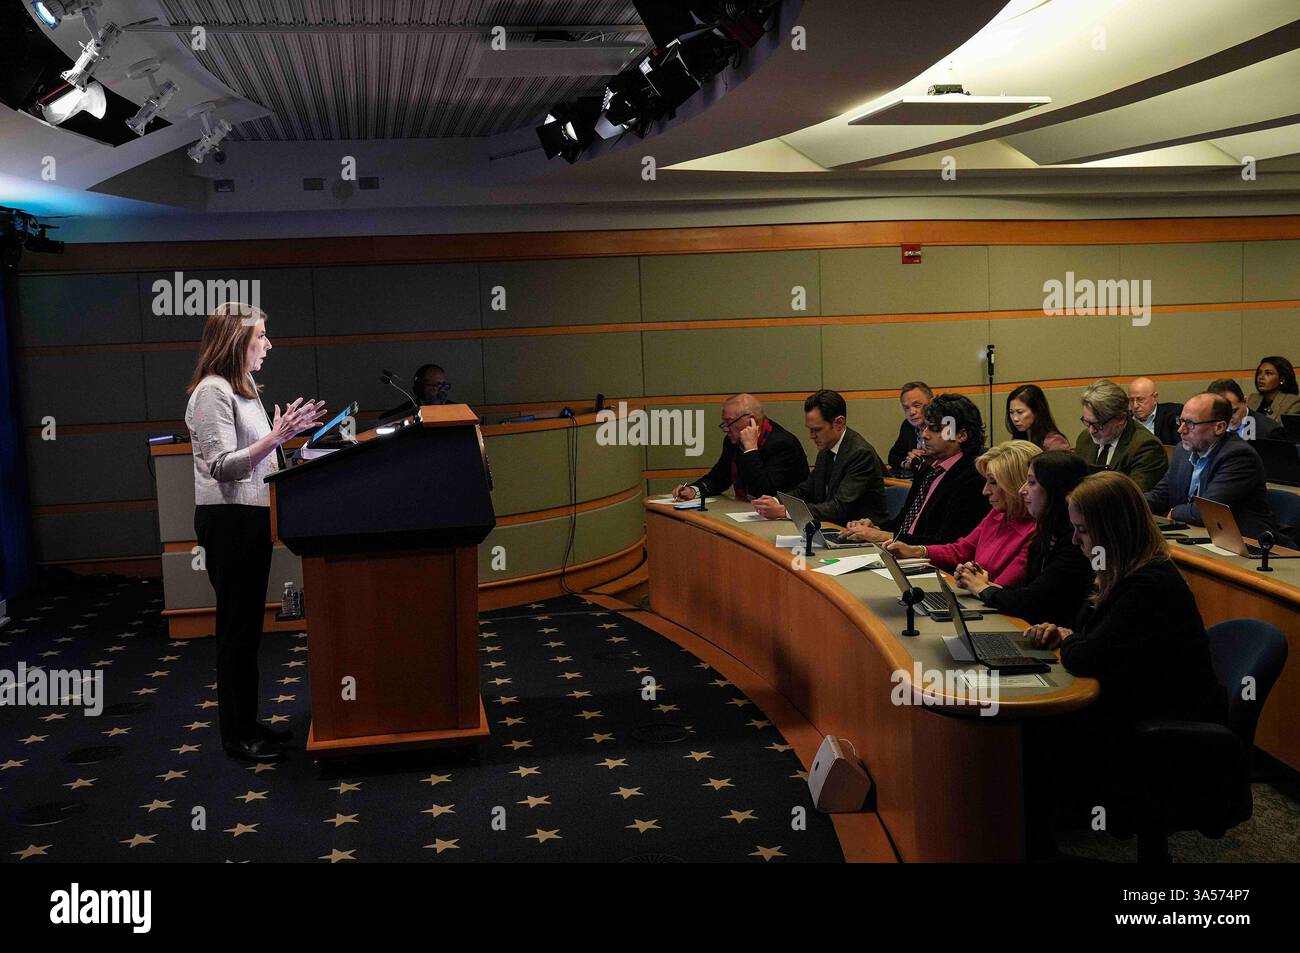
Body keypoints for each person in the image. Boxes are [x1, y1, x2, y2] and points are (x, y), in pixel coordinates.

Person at [1024, 471, 1226, 843]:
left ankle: (1033, 839)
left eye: (1082, 530)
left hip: (1159, 728)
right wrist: (1069, 636)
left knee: (1026, 732)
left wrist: (1068, 639)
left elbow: (1088, 655)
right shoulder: (1121, 572)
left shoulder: (1148, 585)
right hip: (1135, 704)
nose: (1074, 539)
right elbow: (1087, 639)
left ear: (1111, 530)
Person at [186, 302, 327, 764]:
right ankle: (237, 736)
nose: (268, 344)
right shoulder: (211, 392)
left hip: (251, 518)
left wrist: (291, 445)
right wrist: (274, 436)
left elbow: (259, 461)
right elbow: (223, 467)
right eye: (260, 336)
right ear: (236, 341)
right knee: (236, 631)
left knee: (248, 630)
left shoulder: (244, 390)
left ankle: (248, 723)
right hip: (228, 522)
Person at [963, 450, 1094, 628]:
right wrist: (981, 582)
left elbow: (1032, 601)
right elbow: (1028, 591)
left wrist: (982, 588)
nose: (1022, 490)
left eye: (1031, 483)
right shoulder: (1047, 531)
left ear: (1055, 488)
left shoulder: (1074, 541)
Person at [884, 440, 1040, 587]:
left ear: (1016, 484)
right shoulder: (997, 514)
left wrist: (973, 581)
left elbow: (1003, 590)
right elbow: (961, 550)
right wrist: (916, 550)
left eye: (993, 482)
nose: (985, 491)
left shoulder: (1036, 531)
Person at [839, 393, 989, 545]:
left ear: (961, 435)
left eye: (935, 428)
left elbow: (947, 542)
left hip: (934, 563)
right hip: (903, 555)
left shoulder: (974, 477)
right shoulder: (928, 469)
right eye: (924, 427)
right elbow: (903, 524)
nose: (924, 435)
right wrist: (874, 529)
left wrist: (882, 536)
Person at [1144, 392, 1292, 543]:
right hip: (1197, 536)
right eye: (1181, 421)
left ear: (1219, 427)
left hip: (1247, 544)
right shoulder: (1182, 451)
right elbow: (1160, 495)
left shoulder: (1238, 456)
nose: (1181, 430)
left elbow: (1208, 512)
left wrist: (1175, 511)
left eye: (1190, 424)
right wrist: (1129, 504)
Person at [751, 389, 887, 526]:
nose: (811, 436)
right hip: (834, 527)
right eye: (809, 429)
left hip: (861, 533)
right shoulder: (826, 449)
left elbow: (839, 507)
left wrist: (784, 511)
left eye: (817, 430)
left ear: (839, 423)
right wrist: (775, 501)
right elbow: (805, 490)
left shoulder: (861, 454)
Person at [671, 393, 808, 502]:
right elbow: (719, 478)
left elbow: (763, 493)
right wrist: (693, 490)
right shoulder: (733, 441)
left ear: (751, 420)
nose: (725, 429)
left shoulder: (783, 444)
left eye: (729, 423)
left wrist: (750, 450)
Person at [1071, 379, 1167, 492]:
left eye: (1098, 424)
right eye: (1087, 422)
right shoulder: (1085, 439)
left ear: (1121, 418)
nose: (1091, 430)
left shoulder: (1147, 447)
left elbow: (1130, 497)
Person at [1206, 378, 1281, 441]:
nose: (1228, 418)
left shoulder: (1269, 431)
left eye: (1233, 411)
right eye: (1221, 413)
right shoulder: (1207, 430)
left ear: (1245, 401)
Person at [1005, 384, 1070, 451]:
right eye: (1011, 412)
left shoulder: (1054, 442)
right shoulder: (1019, 440)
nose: (1015, 418)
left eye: (1020, 412)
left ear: (1036, 411)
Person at [887, 381, 932, 474]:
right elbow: (893, 457)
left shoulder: (943, 426)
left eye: (917, 405)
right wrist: (908, 464)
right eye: (906, 408)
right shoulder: (908, 426)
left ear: (931, 403)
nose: (911, 412)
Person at [381, 363, 453, 420]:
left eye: (444, 385)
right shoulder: (403, 412)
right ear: (420, 388)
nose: (442, 390)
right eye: (437, 385)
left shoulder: (458, 410)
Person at [1127, 377, 1181, 446]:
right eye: (1131, 400)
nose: (1135, 406)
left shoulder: (1172, 414)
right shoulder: (1125, 420)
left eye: (1140, 399)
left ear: (1154, 397)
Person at [1247, 355, 1300, 424]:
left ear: (1282, 379)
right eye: (1259, 373)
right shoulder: (1252, 399)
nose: (1261, 377)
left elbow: (1284, 431)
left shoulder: (1293, 402)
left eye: (1268, 373)